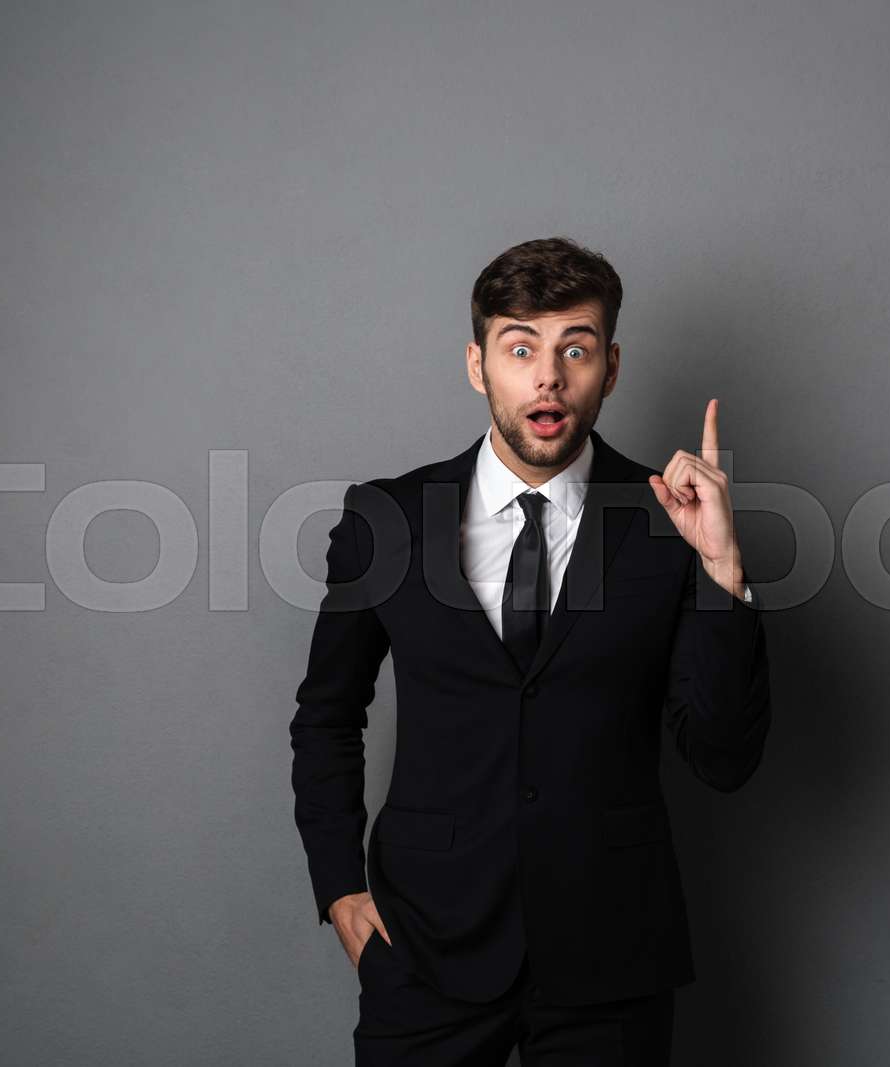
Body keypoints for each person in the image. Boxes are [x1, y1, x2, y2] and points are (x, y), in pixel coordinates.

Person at [290, 236, 772, 1065]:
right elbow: (327, 716)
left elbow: (724, 757)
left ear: (609, 367)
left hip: (612, 956)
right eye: (521, 347)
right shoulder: (387, 520)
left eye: (574, 349)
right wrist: (338, 886)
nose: (548, 376)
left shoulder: (672, 523)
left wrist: (723, 568)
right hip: (426, 950)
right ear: (479, 365)